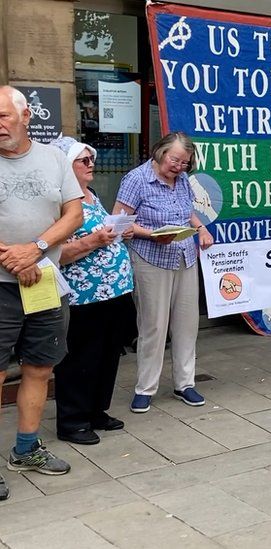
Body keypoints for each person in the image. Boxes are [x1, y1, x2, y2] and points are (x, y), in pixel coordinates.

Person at [0, 86, 83, 498]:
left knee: (40, 367)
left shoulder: (54, 159)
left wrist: (33, 250)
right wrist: (12, 258)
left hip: (45, 281)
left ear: (25, 115)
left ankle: (26, 448)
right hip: (0, 287)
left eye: (3, 116)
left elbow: (74, 212)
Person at [113, 132, 214, 413]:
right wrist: (151, 234)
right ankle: (145, 388)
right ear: (160, 152)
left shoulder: (182, 179)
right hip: (151, 258)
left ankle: (185, 384)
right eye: (175, 160)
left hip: (184, 256)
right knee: (153, 325)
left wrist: (202, 228)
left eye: (185, 163)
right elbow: (118, 224)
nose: (179, 167)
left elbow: (187, 211)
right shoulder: (136, 179)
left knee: (187, 323)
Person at [48, 136, 134, 445]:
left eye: (91, 159)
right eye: (83, 160)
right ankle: (72, 421)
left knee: (108, 354)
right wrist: (93, 242)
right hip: (84, 295)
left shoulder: (90, 194)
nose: (91, 164)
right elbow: (57, 252)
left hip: (114, 290)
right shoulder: (60, 202)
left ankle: (96, 410)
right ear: (64, 166)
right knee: (81, 357)